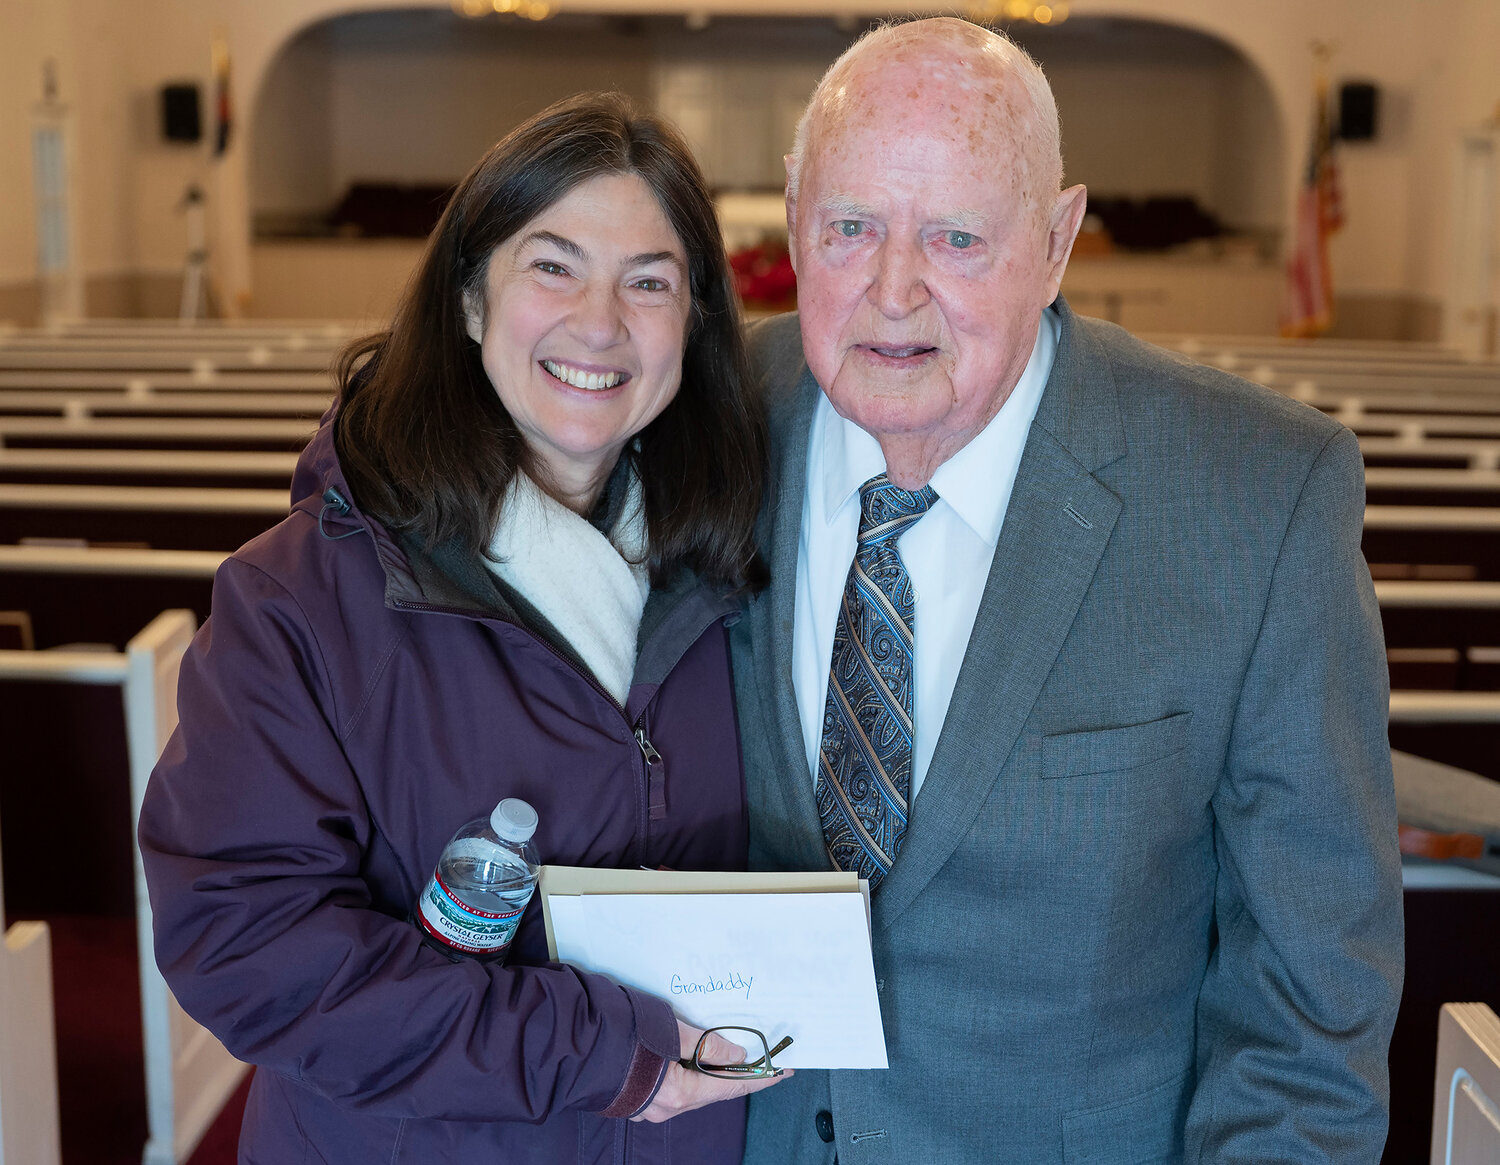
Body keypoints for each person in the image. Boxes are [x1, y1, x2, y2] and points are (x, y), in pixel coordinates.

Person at [731, 18, 1403, 1164]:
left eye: (955, 238)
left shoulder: (1257, 494)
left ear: (1056, 240)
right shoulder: (697, 419)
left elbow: (1309, 1004)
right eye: (850, 228)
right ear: (795, 213)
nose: (894, 292)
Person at [138, 92, 787, 1163]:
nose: (600, 322)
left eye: (650, 282)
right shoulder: (300, 599)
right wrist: (595, 1051)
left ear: (696, 326)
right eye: (553, 266)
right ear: (472, 300)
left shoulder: (740, 570)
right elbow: (244, 941)